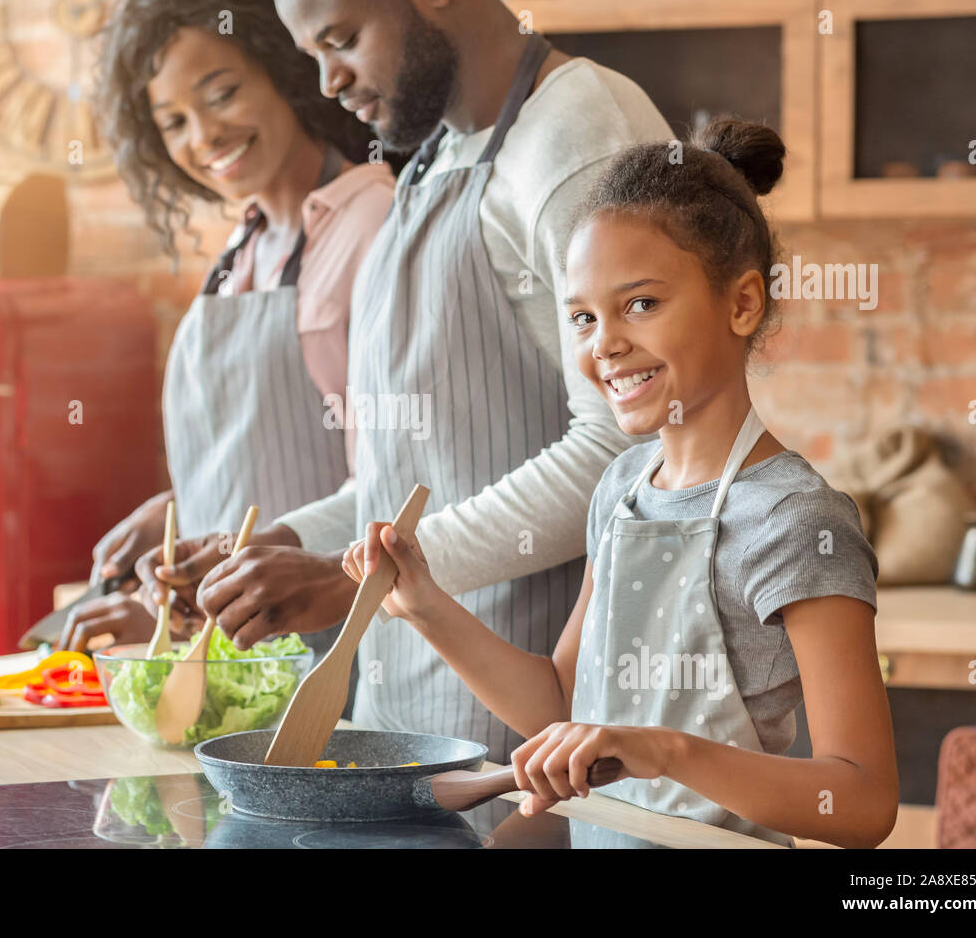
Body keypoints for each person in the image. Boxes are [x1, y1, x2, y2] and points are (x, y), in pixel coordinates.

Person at [139, 0, 674, 765]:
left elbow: (630, 453)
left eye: (342, 40)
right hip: (415, 712)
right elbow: (408, 477)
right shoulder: (431, 162)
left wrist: (350, 577)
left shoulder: (580, 137)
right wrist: (284, 546)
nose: (328, 83)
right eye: (312, 54)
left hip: (548, 729)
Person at [344, 119, 899, 849]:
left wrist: (664, 750)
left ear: (743, 304)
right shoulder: (624, 488)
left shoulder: (795, 519)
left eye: (641, 304)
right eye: (581, 316)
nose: (603, 343)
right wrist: (423, 606)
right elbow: (562, 703)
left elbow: (861, 801)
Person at [57, 0, 394, 677]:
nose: (203, 136)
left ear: (285, 68)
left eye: (220, 94)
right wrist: (178, 513)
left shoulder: (371, 220)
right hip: (237, 658)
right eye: (173, 120)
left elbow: (396, 474)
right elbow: (278, 453)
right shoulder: (243, 249)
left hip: (342, 662)